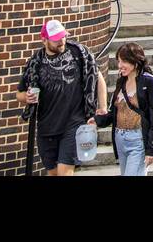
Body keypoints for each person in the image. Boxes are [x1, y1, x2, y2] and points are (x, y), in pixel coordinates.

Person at [16, 18, 108, 176]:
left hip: (74, 124)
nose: (61, 41)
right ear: (44, 40)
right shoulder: (35, 63)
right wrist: (27, 97)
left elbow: (98, 78)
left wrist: (103, 107)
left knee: (64, 172)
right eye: (56, 39)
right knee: (53, 173)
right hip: (47, 126)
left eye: (63, 36)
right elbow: (19, 93)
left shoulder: (79, 53)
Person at [95, 41, 153, 176]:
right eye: (118, 61)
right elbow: (114, 113)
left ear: (135, 61)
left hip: (138, 140)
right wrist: (97, 120)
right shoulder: (121, 81)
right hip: (120, 139)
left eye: (123, 61)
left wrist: (151, 149)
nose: (119, 66)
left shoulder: (149, 81)